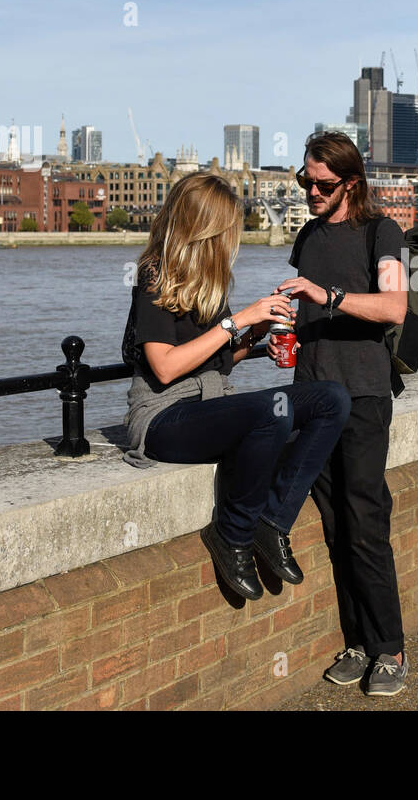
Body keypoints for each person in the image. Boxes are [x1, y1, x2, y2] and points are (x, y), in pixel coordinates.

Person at [122, 172, 352, 602]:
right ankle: (232, 533)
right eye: (228, 226)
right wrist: (239, 320)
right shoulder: (154, 275)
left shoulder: (208, 281)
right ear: (203, 226)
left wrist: (260, 335)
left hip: (210, 404)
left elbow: (220, 362)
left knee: (331, 399)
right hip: (160, 419)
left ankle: (273, 522)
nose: (234, 237)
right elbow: (166, 367)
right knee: (271, 412)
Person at [271, 131, 410, 697]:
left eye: (322, 184)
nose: (310, 191)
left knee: (364, 522)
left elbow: (392, 307)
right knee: (332, 524)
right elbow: (303, 307)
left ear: (351, 182)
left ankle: (391, 648)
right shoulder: (306, 235)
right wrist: (280, 325)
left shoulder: (381, 231)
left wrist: (325, 296)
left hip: (363, 395)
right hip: (312, 396)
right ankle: (356, 641)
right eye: (305, 181)